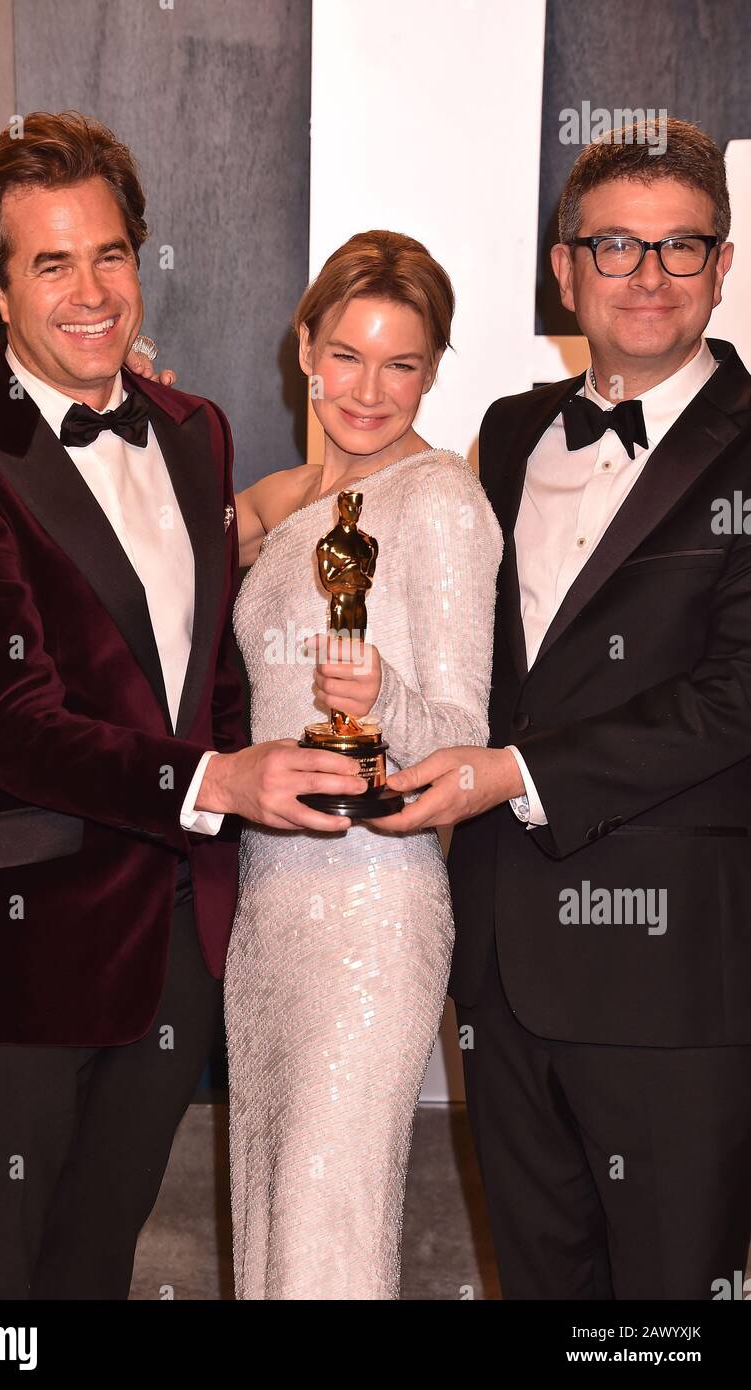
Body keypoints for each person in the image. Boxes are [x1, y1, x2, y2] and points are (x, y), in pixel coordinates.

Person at [0, 110, 364, 1300]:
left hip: (170, 945)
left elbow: (209, 672)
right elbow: (9, 723)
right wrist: (217, 781)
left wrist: (312, 740)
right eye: (51, 263)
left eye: (110, 253)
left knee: (91, 1273)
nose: (93, 291)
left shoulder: (195, 431)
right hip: (7, 956)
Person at [383, 118, 751, 1299]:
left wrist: (514, 775)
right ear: (564, 270)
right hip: (501, 966)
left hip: (675, 975)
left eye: (679, 248)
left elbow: (737, 694)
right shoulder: (505, 433)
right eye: (614, 246)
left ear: (724, 267)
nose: (645, 276)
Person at [215, 231, 502, 1298]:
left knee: (325, 1232)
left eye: (402, 364)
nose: (369, 390)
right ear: (303, 348)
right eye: (345, 354)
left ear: (432, 370)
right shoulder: (285, 501)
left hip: (373, 913)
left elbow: (460, 738)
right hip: (268, 901)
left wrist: (381, 695)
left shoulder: (439, 503)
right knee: (271, 1219)